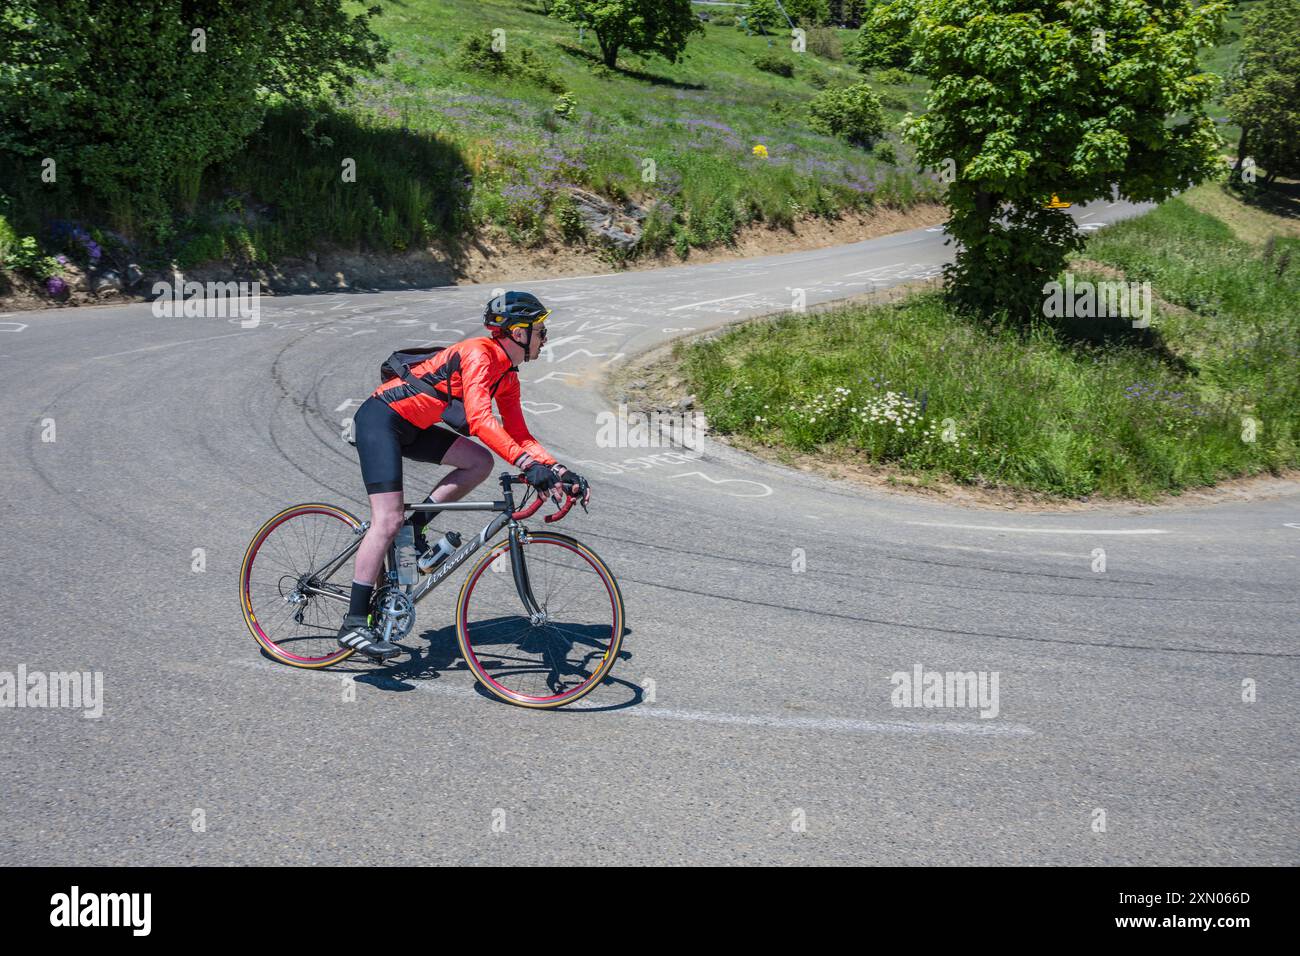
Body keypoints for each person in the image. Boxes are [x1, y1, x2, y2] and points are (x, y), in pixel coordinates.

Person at [337, 291, 590, 660]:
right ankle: (354, 623)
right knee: (387, 519)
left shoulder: (507, 376)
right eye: (541, 329)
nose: (545, 337)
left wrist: (557, 469)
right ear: (518, 332)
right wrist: (525, 464)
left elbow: (520, 435)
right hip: (382, 420)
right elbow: (479, 420)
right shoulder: (478, 353)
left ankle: (415, 527)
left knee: (478, 462)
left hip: (414, 425)